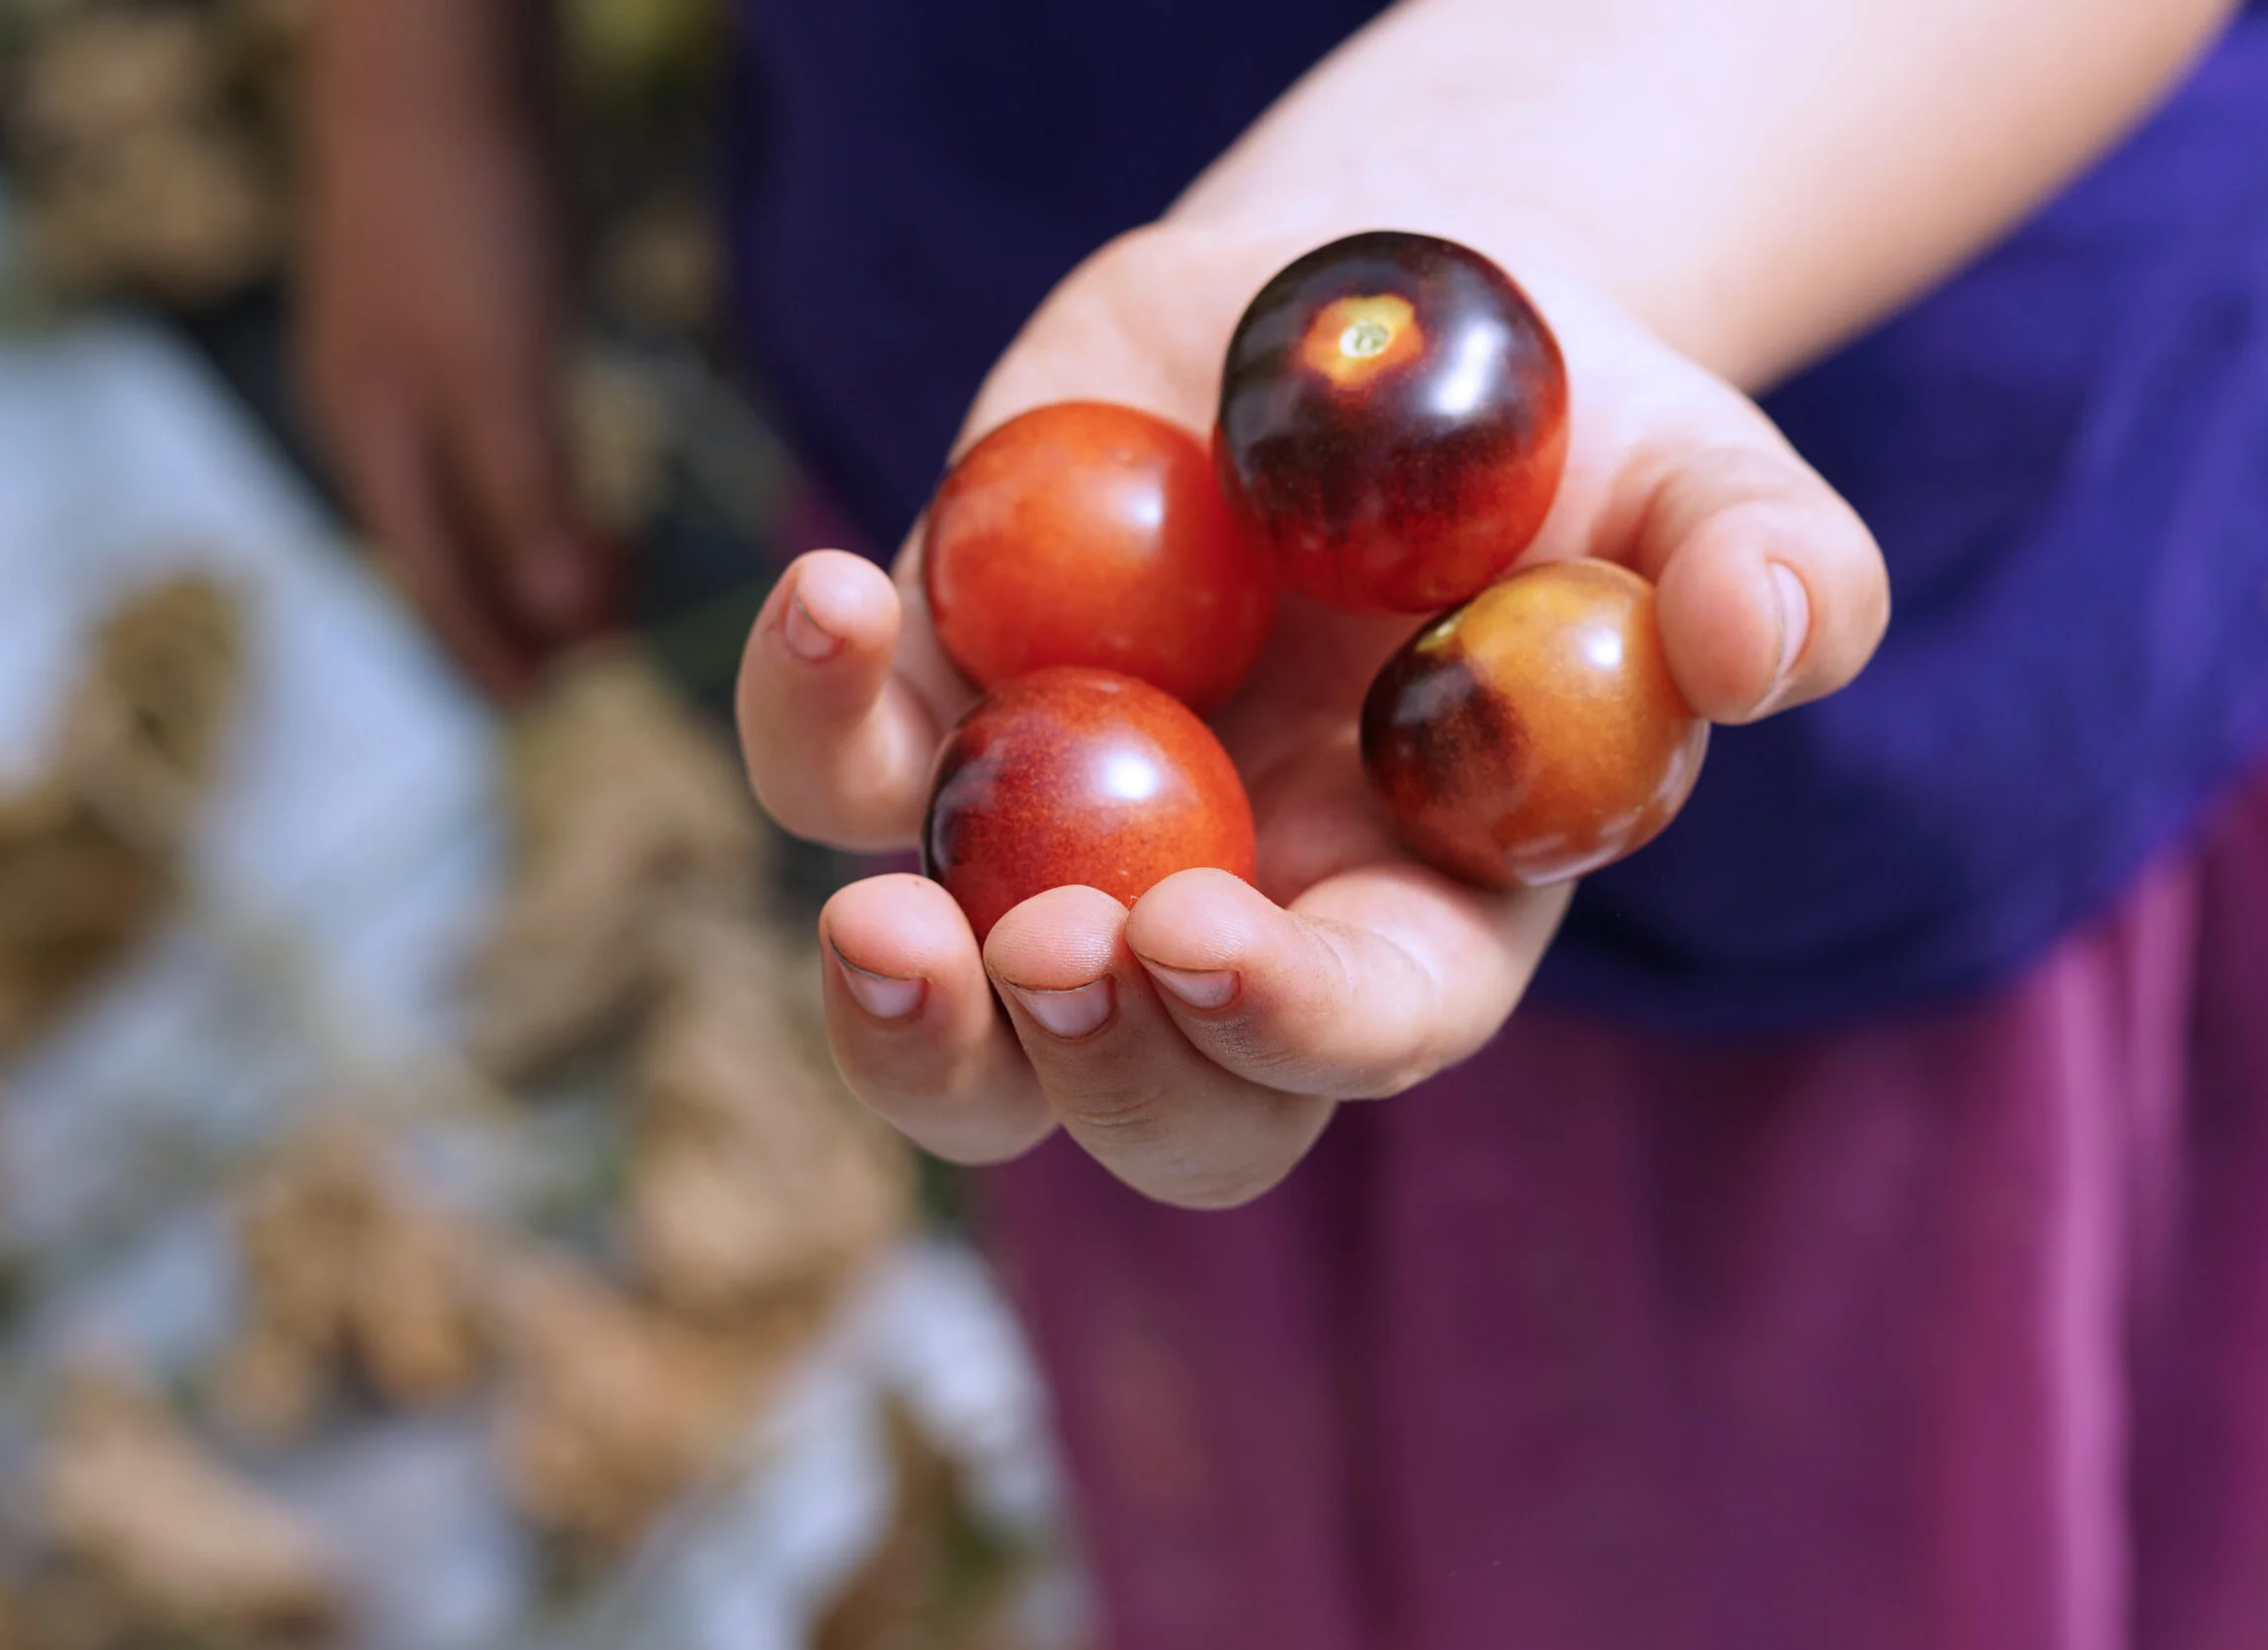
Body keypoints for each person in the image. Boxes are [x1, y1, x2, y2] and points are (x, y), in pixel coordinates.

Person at [304, 1, 2268, 1644]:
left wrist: (1530, 189)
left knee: (1816, 1506)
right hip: (980, 296)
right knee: (1186, 1196)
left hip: (1881, 421)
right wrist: (414, 77)